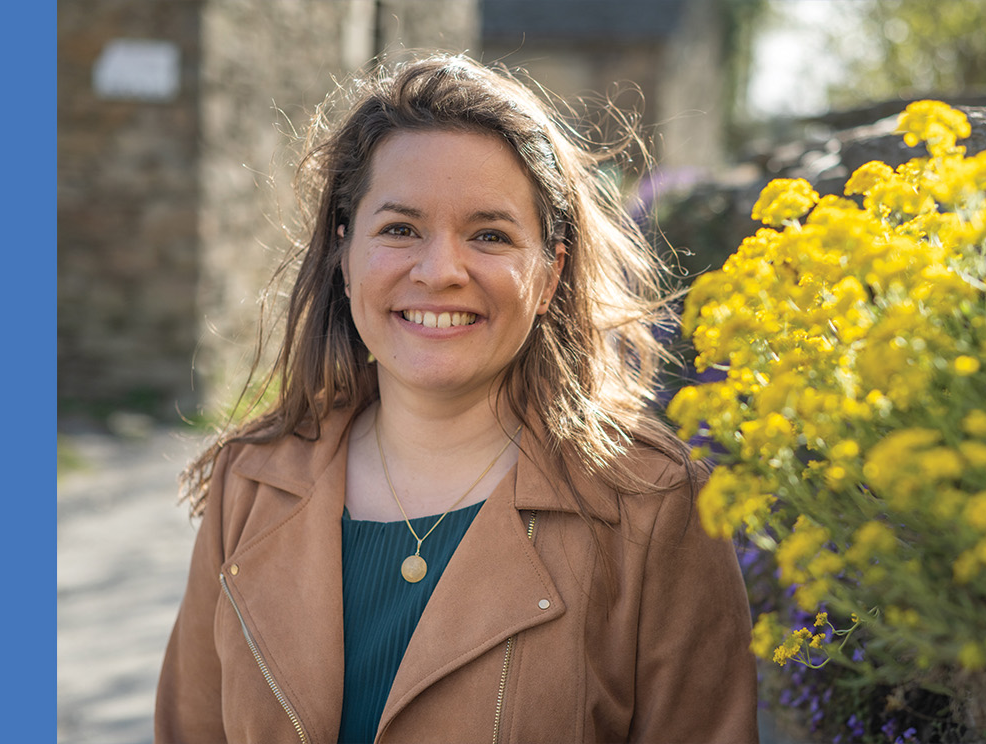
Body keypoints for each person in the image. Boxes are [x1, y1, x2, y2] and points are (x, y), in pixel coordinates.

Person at [154, 53, 757, 744]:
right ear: (344, 255)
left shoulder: (653, 506)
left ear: (550, 272)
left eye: (490, 235)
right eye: (401, 229)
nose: (440, 271)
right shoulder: (251, 481)